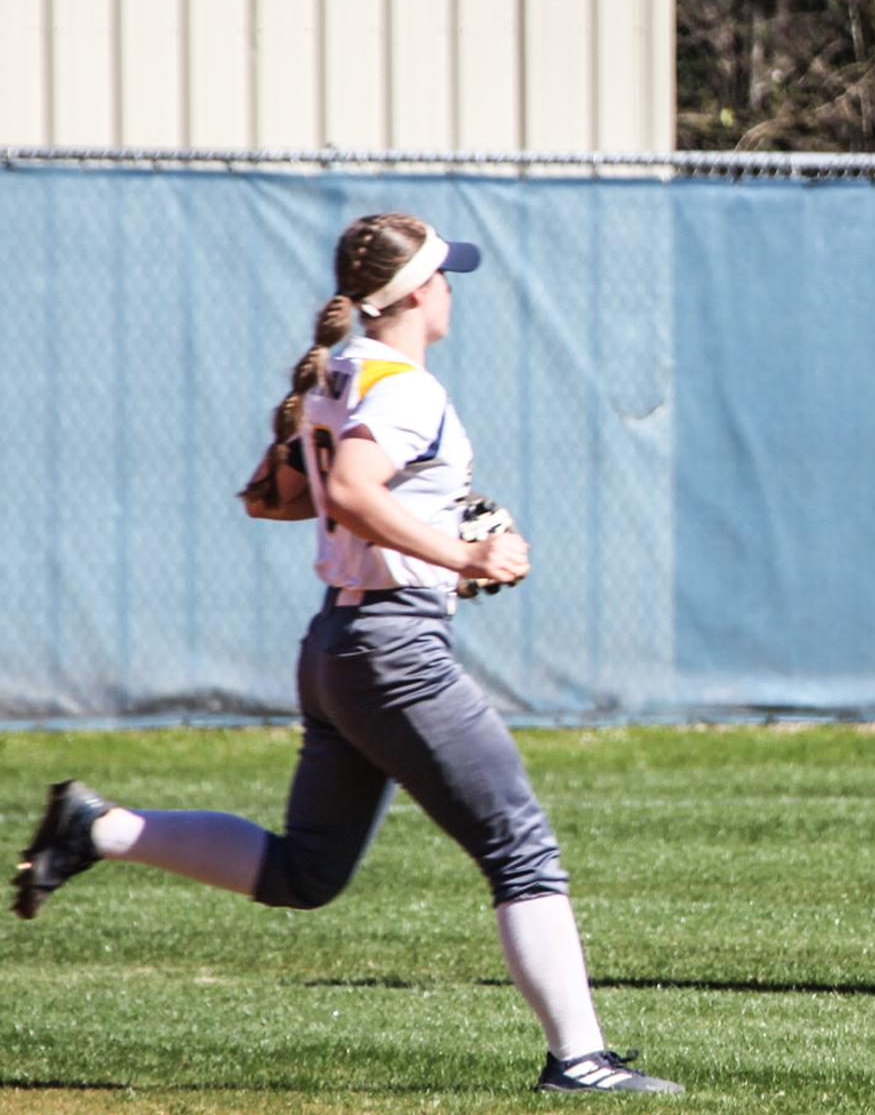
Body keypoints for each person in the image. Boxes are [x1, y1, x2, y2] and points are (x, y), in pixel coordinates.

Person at [11, 213, 681, 1095]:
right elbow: (358, 492)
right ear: (417, 294)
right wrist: (463, 553)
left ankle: (98, 828)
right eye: (445, 275)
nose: (451, 290)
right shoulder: (405, 387)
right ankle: (581, 1061)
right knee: (522, 850)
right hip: (393, 649)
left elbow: (277, 499)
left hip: (340, 641)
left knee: (306, 871)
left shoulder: (341, 370)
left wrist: (432, 524)